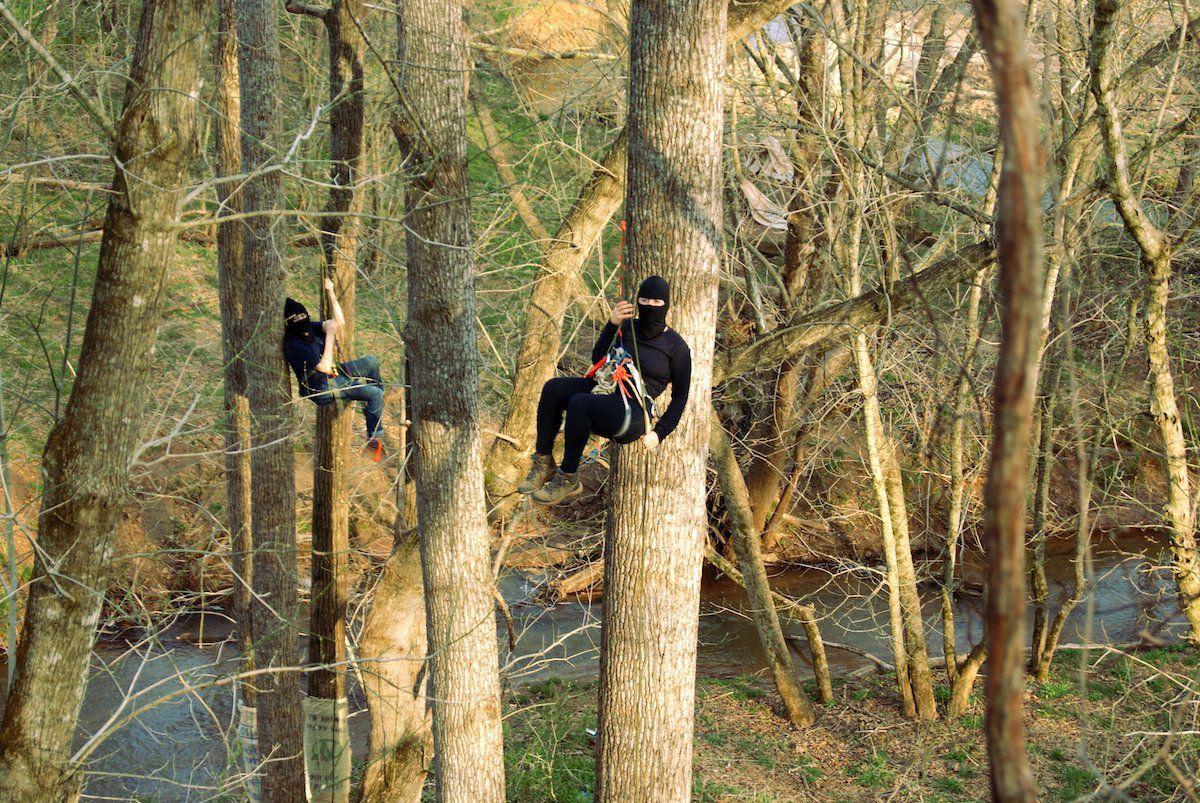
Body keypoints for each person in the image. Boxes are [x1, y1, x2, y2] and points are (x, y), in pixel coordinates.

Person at [521, 275, 692, 505]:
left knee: (580, 403)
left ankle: (568, 476)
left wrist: (659, 433)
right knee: (554, 388)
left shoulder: (677, 348)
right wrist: (612, 324)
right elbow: (598, 358)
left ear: (666, 304)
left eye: (656, 302)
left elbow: (680, 397)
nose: (649, 306)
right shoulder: (628, 327)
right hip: (608, 388)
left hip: (634, 410)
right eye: (644, 300)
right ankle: (544, 461)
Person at [283, 279, 387, 461]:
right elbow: (323, 367)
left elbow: (339, 321)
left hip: (335, 373)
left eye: (302, 315)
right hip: (320, 388)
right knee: (374, 393)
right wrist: (330, 335)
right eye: (295, 318)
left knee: (371, 362)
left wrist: (331, 292)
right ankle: (374, 438)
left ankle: (373, 407)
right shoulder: (294, 345)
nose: (300, 319)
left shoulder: (310, 327)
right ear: (289, 322)